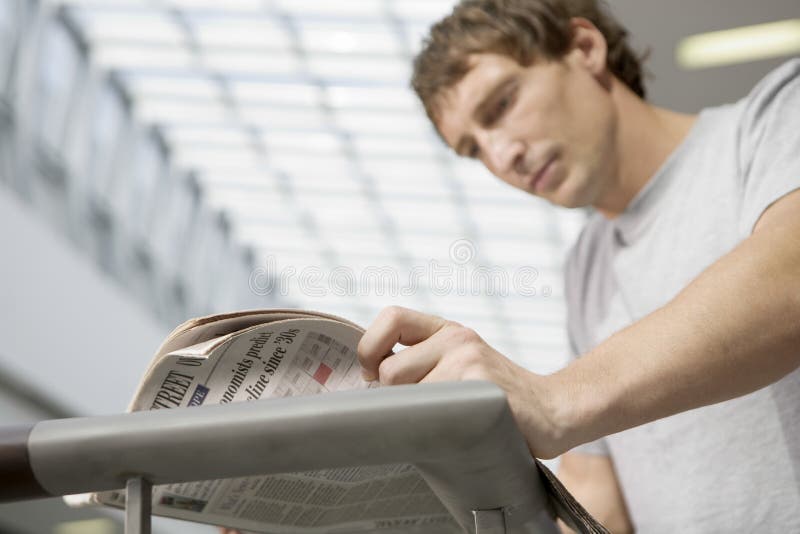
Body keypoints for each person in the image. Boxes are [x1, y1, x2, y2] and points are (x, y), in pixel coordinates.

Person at [356, 0, 800, 532]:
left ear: (585, 49)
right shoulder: (585, 271)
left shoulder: (772, 119)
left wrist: (555, 398)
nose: (502, 157)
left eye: (501, 105)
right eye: (475, 149)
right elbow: (599, 502)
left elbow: (789, 275)